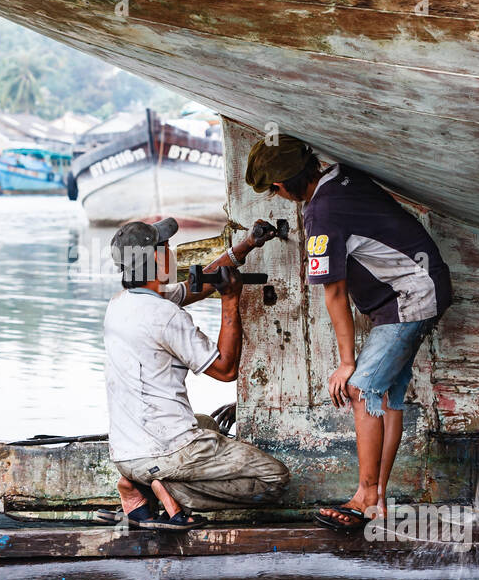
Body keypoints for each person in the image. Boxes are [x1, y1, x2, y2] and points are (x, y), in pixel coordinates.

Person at [245, 136, 452, 531]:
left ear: (282, 185)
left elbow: (335, 292)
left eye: (273, 189)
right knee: (387, 394)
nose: (277, 195)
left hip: (410, 295)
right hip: (417, 288)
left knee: (360, 388)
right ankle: (377, 502)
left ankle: (365, 496)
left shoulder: (320, 213)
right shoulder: (341, 177)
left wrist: (346, 362)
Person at [100, 216, 290, 530]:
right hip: (164, 453)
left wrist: (245, 246)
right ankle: (166, 490)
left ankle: (137, 485)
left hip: (127, 452)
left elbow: (193, 287)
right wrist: (230, 300)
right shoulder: (165, 315)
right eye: (166, 247)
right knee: (274, 478)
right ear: (158, 259)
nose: (171, 252)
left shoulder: (120, 305)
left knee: (206, 424)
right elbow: (226, 370)